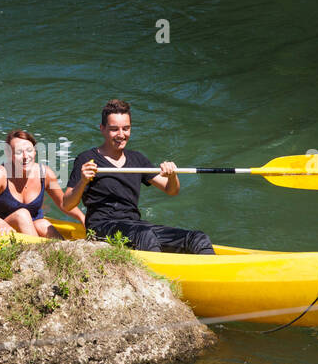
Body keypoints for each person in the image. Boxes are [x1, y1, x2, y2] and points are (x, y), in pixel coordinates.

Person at [62, 98, 214, 254]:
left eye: (126, 128)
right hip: (102, 227)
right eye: (114, 129)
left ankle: (213, 273)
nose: (121, 135)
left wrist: (172, 176)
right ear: (102, 129)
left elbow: (171, 190)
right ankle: (156, 276)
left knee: (197, 237)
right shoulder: (86, 159)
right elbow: (67, 204)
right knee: (145, 237)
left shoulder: (137, 159)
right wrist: (83, 181)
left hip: (135, 226)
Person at [0, 130, 86, 238]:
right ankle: (36, 254)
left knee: (44, 225)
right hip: (1, 228)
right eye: (18, 152)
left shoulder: (45, 173)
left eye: (29, 150)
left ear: (34, 152)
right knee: (22, 215)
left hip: (31, 225)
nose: (25, 156)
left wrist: (82, 217)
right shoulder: (0, 174)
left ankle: (62, 255)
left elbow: (63, 203)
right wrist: (1, 224)